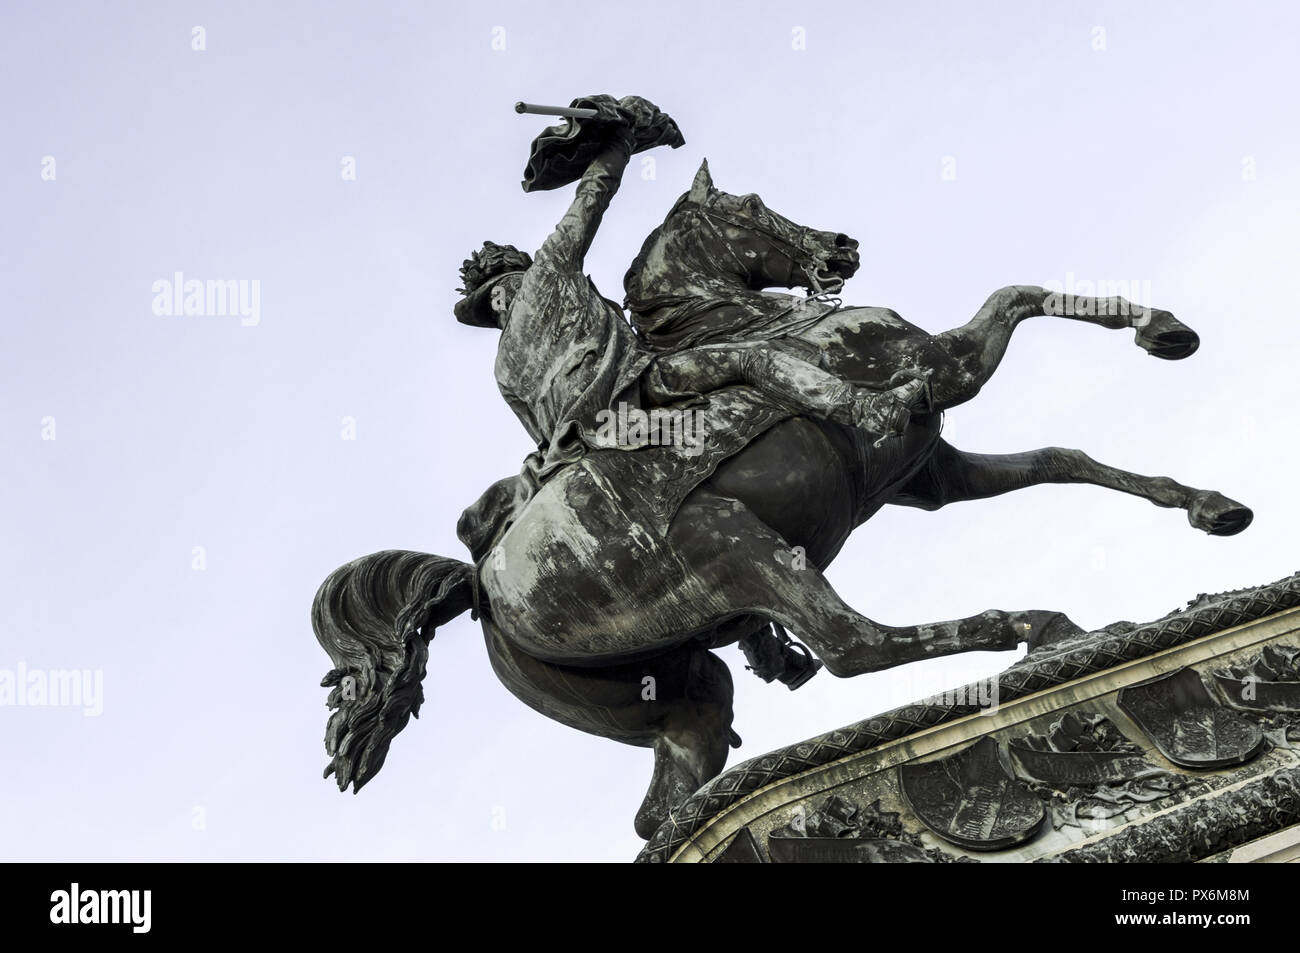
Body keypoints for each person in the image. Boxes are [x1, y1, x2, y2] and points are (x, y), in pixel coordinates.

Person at [455, 96, 928, 510]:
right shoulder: (548, 273)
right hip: (642, 387)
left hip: (607, 436)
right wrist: (619, 144)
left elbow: (542, 435)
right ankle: (868, 411)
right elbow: (591, 197)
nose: (507, 294)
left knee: (701, 443)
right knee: (750, 360)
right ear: (503, 289)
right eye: (504, 288)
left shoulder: (502, 369)